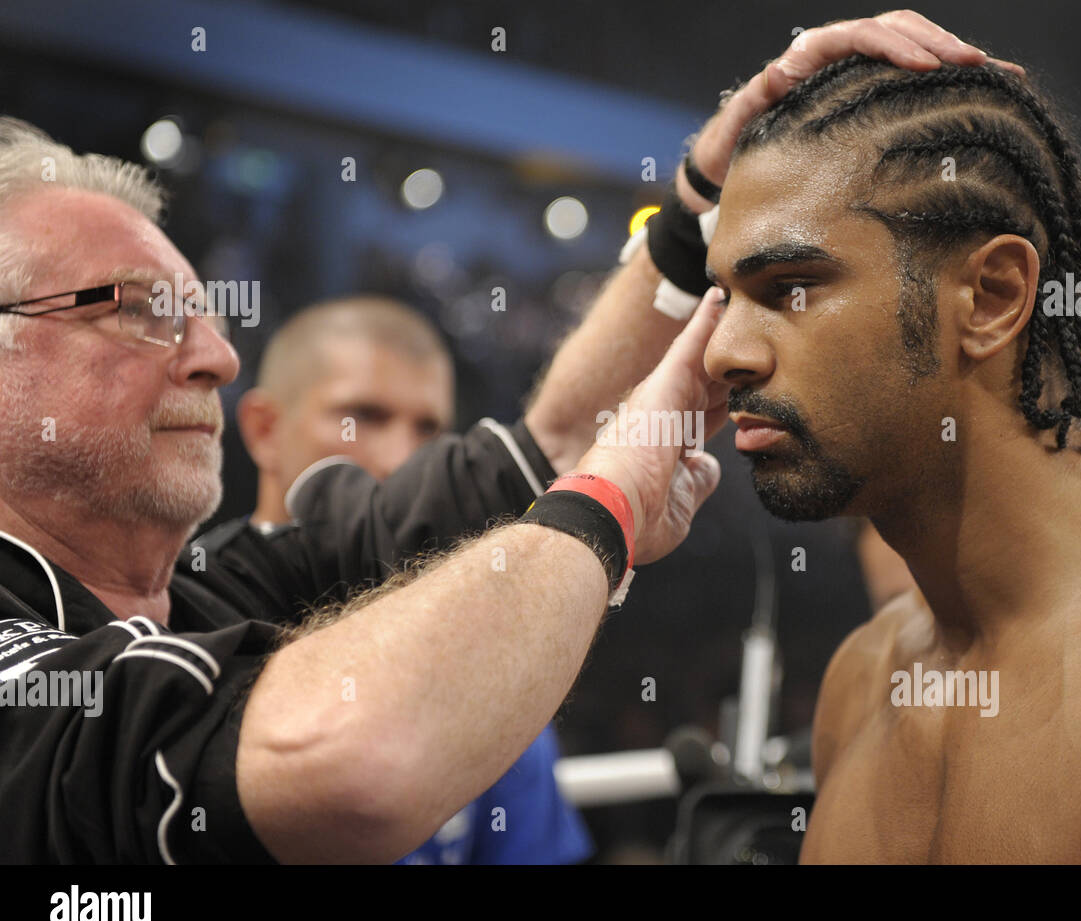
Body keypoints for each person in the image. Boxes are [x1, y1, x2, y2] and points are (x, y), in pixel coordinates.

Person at [0, 12, 1000, 863]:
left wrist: (698, 209)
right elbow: (350, 759)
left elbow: (552, 441)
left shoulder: (220, 593)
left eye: (205, 311)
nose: (216, 352)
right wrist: (612, 501)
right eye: (137, 307)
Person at [702, 53, 1081, 862]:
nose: (722, 352)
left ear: (990, 298)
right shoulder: (864, 677)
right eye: (724, 297)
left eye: (791, 287)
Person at [228, 295, 590, 864]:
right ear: (265, 428)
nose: (402, 457)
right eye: (363, 416)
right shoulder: (183, 618)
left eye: (428, 429)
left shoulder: (481, 657)